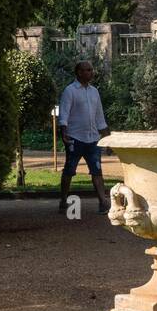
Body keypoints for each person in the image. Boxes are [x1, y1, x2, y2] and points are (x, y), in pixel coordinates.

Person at [58, 60, 111, 214]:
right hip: (75, 138)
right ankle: (63, 200)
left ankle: (102, 201)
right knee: (69, 171)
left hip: (93, 139)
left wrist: (107, 137)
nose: (90, 72)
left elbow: (100, 117)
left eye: (91, 69)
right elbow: (64, 114)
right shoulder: (70, 91)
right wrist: (64, 132)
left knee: (97, 171)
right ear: (79, 72)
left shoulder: (94, 91)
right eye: (87, 70)